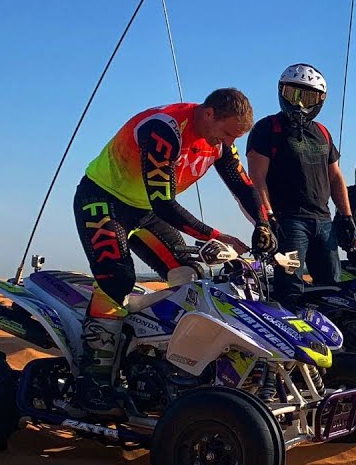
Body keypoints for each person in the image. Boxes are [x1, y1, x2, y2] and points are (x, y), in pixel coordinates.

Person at [74, 88, 264, 414]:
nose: (228, 143)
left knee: (191, 277)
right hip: (103, 200)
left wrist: (263, 224)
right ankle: (94, 380)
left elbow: (243, 186)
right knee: (117, 279)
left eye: (235, 137)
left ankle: (156, 359)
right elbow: (165, 203)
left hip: (144, 210)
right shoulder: (164, 128)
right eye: (227, 132)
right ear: (208, 114)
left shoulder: (220, 141)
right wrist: (216, 236)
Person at [246, 64, 354, 305]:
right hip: (288, 221)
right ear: (281, 92)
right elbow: (257, 177)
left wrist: (346, 216)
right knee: (290, 289)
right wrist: (267, 218)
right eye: (292, 94)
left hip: (323, 221)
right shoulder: (267, 128)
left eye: (308, 97)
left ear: (320, 100)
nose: (300, 104)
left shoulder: (323, 132)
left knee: (332, 290)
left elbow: (335, 176)